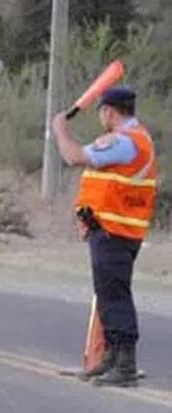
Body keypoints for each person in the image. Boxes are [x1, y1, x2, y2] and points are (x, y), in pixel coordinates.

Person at [51, 85, 159, 387]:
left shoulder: (125, 142)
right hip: (115, 229)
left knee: (115, 297)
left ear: (109, 112)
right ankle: (110, 359)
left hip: (115, 232)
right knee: (110, 295)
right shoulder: (136, 139)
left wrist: (60, 130)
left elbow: (73, 156)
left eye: (102, 112)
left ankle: (125, 365)